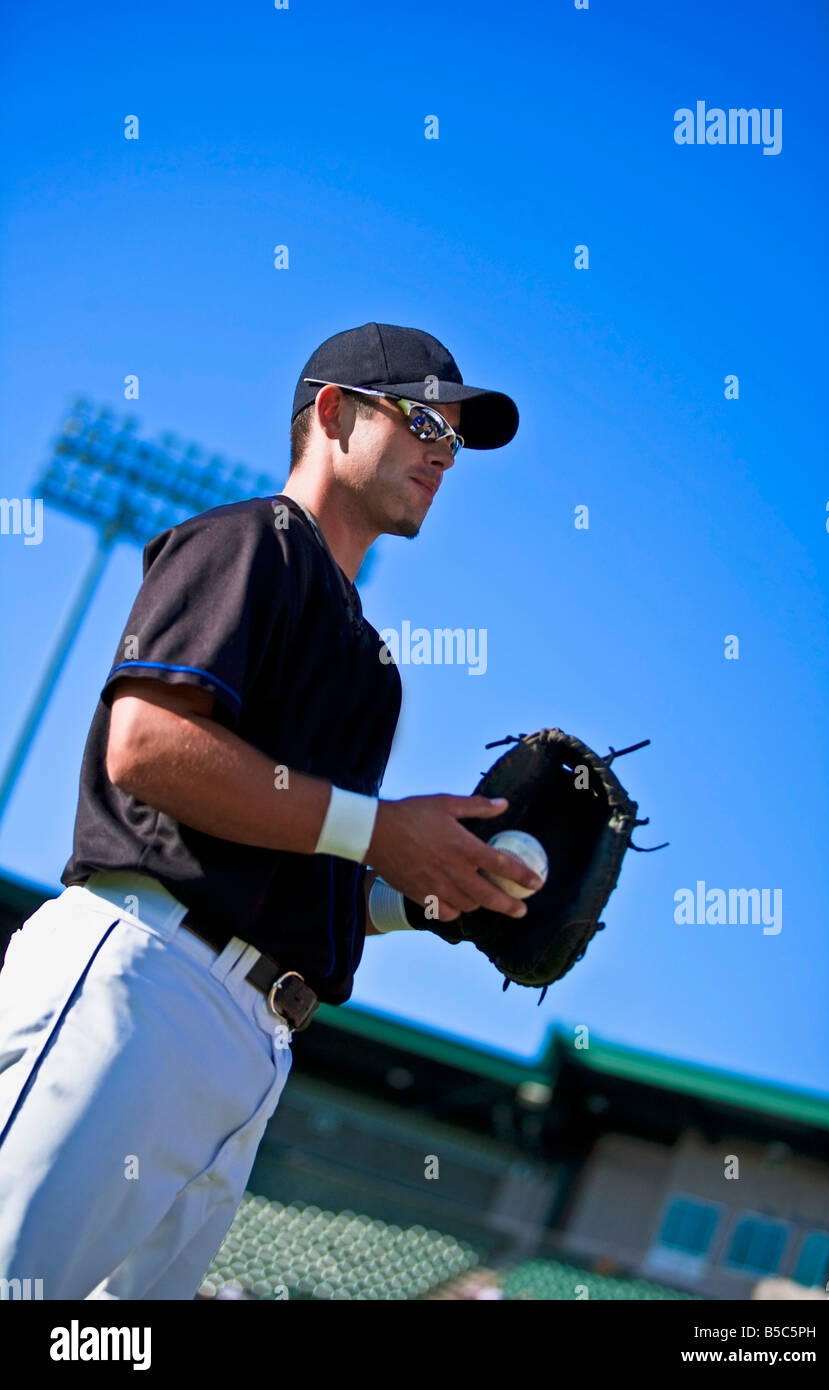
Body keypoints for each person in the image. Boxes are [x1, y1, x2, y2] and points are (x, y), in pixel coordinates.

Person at [0, 321, 543, 1300]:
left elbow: (297, 857)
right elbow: (147, 746)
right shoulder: (254, 540)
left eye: (455, 440)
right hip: (144, 978)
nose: (441, 451)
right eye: (424, 417)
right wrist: (381, 829)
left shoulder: (371, 663)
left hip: (252, 1042)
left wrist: (421, 890)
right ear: (332, 413)